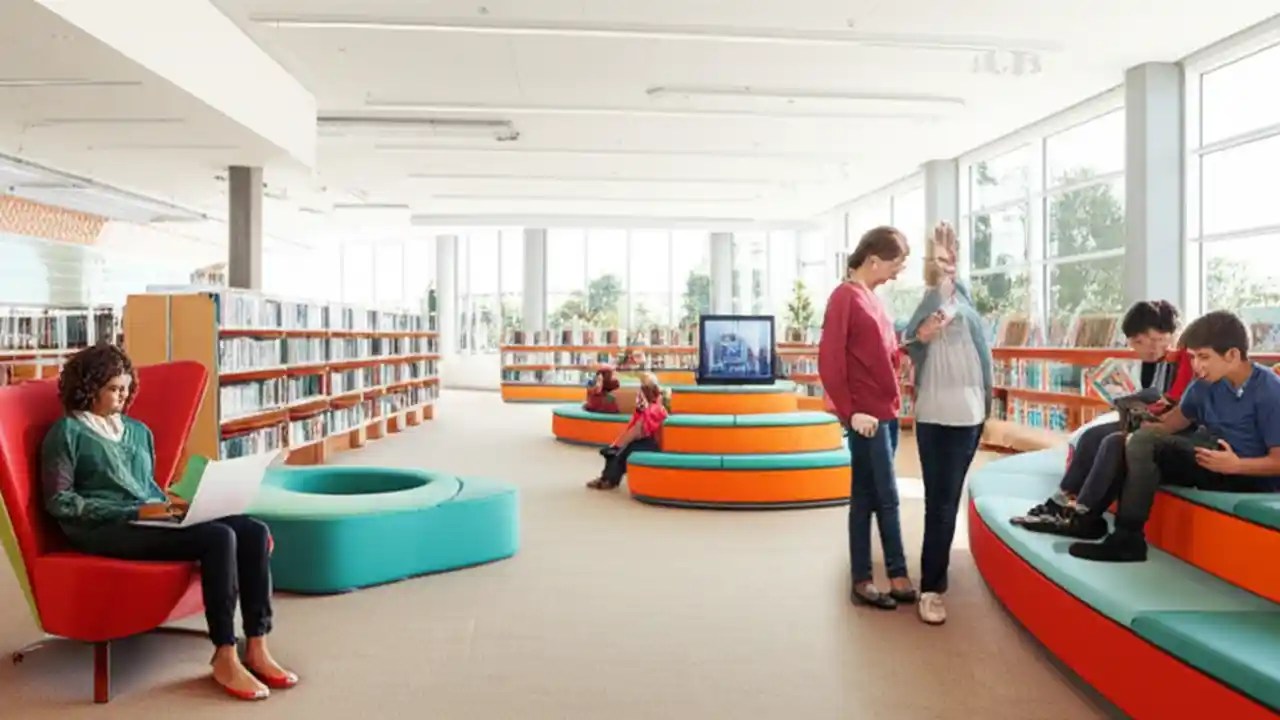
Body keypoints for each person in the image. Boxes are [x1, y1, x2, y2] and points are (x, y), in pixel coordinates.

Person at [40, 344, 297, 701]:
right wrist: (133, 512)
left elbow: (147, 488)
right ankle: (224, 653)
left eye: (126, 389)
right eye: (114, 388)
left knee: (253, 531)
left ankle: (256, 644)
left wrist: (177, 504)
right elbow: (60, 501)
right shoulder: (66, 433)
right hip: (104, 530)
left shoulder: (137, 431)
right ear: (89, 386)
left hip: (149, 518)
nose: (122, 396)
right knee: (218, 538)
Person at [1071, 310, 1280, 562]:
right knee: (1117, 442)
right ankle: (1085, 521)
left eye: (1204, 357)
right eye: (1193, 357)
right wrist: (1136, 417)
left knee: (1142, 443)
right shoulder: (1204, 385)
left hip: (1247, 476)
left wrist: (1236, 465)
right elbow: (1169, 425)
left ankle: (1128, 540)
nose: (1196, 366)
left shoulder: (1269, 390)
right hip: (1211, 460)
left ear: (1233, 355)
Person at [1011, 300, 1193, 539]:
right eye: (1138, 342)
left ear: (1168, 336)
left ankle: (1079, 514)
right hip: (1153, 417)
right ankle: (1060, 502)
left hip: (1175, 424)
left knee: (1108, 439)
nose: (1146, 348)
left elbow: (1177, 401)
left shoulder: (1186, 358)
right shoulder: (1154, 362)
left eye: (1154, 340)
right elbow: (1155, 398)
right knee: (1090, 436)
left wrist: (1145, 404)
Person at [818, 225, 917, 610]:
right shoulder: (844, 298)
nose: (898, 272)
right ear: (873, 259)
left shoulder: (873, 299)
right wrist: (849, 412)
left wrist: (907, 351)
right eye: (895, 263)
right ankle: (897, 573)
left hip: (886, 412)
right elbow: (830, 360)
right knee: (887, 496)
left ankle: (861, 578)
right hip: (866, 416)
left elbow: (880, 353)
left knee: (864, 496)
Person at [902, 221, 993, 625]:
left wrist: (952, 276)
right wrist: (923, 334)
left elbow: (977, 333)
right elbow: (906, 343)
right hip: (931, 415)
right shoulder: (926, 304)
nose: (947, 266)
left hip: (967, 416)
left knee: (946, 500)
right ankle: (932, 587)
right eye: (939, 261)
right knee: (937, 502)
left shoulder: (968, 306)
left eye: (951, 259)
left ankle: (934, 581)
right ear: (929, 266)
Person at [587, 372, 668, 490]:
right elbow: (635, 427)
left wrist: (618, 445)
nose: (640, 391)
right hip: (646, 440)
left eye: (643, 387)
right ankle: (606, 477)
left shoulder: (653, 409)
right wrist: (617, 443)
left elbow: (638, 431)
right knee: (615, 449)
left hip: (652, 443)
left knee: (620, 452)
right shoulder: (651, 406)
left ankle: (609, 479)